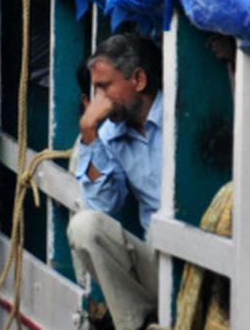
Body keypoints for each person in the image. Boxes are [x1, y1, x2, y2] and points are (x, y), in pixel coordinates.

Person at [68, 32, 163, 330]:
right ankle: (135, 325)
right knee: (84, 226)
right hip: (159, 262)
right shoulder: (108, 133)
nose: (99, 101)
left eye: (104, 88)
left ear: (138, 80)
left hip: (208, 259)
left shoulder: (181, 114)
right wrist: (89, 134)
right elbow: (101, 205)